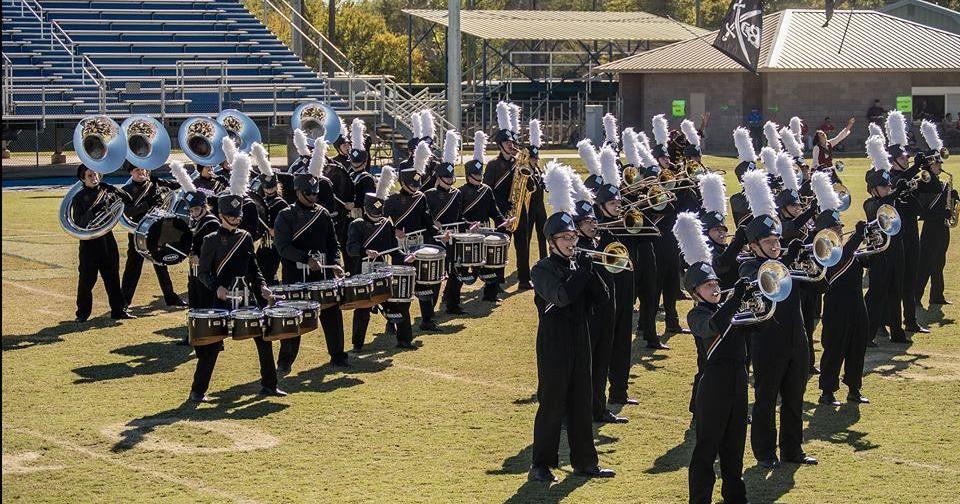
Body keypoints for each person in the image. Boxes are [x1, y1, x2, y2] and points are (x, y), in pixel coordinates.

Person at [528, 163, 614, 483]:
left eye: (572, 236)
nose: (569, 241)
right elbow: (561, 297)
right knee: (552, 404)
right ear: (551, 241)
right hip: (554, 343)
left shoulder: (581, 264)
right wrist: (581, 272)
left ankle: (585, 462)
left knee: (581, 402)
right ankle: (541, 463)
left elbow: (602, 300)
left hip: (580, 338)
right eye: (564, 237)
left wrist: (592, 270)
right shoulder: (542, 270)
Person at [739, 170, 816, 468]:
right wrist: (782, 260)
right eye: (768, 242)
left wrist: (805, 259)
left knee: (795, 398)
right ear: (754, 245)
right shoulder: (748, 268)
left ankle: (793, 450)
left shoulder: (787, 260)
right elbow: (759, 292)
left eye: (776, 239)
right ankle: (766, 453)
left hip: (797, 338)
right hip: (767, 343)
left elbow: (820, 285)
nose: (775, 245)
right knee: (766, 401)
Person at [193, 153, 283, 401]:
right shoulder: (210, 240)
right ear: (221, 215)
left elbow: (253, 267)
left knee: (264, 340)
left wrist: (263, 286)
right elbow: (202, 273)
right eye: (231, 216)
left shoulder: (244, 237)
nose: (235, 219)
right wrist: (216, 288)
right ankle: (197, 391)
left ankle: (270, 384)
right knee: (212, 347)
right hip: (221, 300)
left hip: (246, 297)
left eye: (238, 216)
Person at [676, 211, 750, 504]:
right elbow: (714, 326)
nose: (715, 288)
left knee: (735, 447)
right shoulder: (696, 314)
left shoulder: (729, 306)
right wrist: (734, 299)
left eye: (715, 284)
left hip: (739, 382)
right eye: (708, 286)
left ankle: (735, 497)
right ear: (695, 293)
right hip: (714, 385)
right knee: (707, 448)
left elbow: (760, 326)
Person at [274, 142, 349, 371]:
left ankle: (338, 355)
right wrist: (306, 259)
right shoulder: (285, 216)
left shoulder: (323, 214)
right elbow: (283, 247)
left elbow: (332, 243)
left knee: (332, 316)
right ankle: (285, 363)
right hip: (296, 276)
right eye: (309, 193)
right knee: (294, 320)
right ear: (298, 192)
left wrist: (335, 263)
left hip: (322, 276)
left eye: (315, 193)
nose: (313, 197)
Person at [809, 172, 871, 406]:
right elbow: (838, 265)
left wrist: (875, 242)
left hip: (857, 303)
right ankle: (827, 391)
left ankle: (854, 388)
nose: (838, 231)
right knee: (835, 348)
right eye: (834, 228)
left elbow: (864, 262)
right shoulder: (822, 252)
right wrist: (856, 239)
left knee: (857, 346)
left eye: (839, 227)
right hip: (836, 307)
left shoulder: (846, 247)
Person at [346, 166, 418, 351]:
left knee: (400, 303)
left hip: (382, 271)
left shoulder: (385, 224)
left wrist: (405, 257)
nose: (377, 217)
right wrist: (365, 251)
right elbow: (351, 249)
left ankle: (404, 340)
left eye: (379, 213)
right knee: (362, 310)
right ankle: (357, 344)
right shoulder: (357, 225)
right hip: (362, 273)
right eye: (374, 213)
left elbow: (393, 251)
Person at [443, 131, 512, 308]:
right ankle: (451, 301)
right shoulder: (460, 192)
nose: (479, 178)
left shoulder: (486, 190)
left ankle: (490, 294)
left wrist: (503, 221)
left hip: (484, 232)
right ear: (468, 176)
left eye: (480, 175)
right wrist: (468, 226)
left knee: (491, 266)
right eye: (476, 175)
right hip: (466, 235)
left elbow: (494, 212)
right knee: (460, 270)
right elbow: (458, 216)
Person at [386, 142, 440, 332]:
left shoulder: (421, 197)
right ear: (403, 183)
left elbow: (427, 221)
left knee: (423, 282)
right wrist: (394, 231)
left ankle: (427, 320)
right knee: (401, 284)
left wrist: (439, 233)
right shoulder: (392, 200)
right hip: (400, 246)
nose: (415, 187)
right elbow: (382, 223)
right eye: (412, 184)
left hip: (419, 243)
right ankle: (392, 322)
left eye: (417, 184)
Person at [73, 164, 136, 322]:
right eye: (90, 176)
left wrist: (111, 187)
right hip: (89, 243)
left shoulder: (107, 191)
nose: (94, 178)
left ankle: (118, 310)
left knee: (113, 278)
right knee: (87, 281)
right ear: (83, 178)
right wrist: (94, 211)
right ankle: (82, 314)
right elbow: (79, 222)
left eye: (95, 175)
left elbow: (128, 200)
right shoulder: (79, 197)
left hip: (107, 241)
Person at [485, 101, 537, 291]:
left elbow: (530, 186)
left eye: (513, 142)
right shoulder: (492, 166)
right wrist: (496, 212)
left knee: (523, 244)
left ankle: (524, 278)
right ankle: (497, 280)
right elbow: (487, 190)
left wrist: (529, 172)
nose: (511, 145)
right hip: (502, 209)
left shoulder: (519, 162)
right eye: (507, 143)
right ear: (500, 145)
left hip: (520, 208)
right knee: (501, 245)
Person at [886, 111, 929, 334]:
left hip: (912, 231)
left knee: (911, 277)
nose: (907, 160)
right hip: (897, 236)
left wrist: (927, 165)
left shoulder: (910, 175)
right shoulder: (888, 178)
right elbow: (897, 185)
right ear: (893, 161)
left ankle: (910, 320)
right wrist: (914, 168)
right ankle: (889, 324)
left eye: (907, 158)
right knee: (896, 282)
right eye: (903, 158)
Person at [119, 163, 185, 308]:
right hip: (137, 232)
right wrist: (148, 204)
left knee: (161, 265)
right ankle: (123, 302)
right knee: (133, 267)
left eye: (143, 168)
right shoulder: (126, 190)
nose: (141, 171)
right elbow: (128, 212)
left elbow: (176, 186)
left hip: (156, 231)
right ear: (131, 173)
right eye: (137, 170)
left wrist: (159, 180)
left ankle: (170, 297)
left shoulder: (154, 185)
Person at [863, 134, 909, 345]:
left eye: (888, 186)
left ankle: (897, 332)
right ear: (873, 189)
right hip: (880, 253)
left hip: (896, 250)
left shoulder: (892, 199)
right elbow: (882, 209)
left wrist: (902, 191)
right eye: (884, 187)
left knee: (895, 291)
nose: (888, 189)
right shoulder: (870, 204)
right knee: (876, 294)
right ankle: (867, 334)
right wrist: (896, 192)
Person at [424, 130, 463, 315]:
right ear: (438, 178)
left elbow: (460, 216)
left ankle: (453, 304)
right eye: (445, 177)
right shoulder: (428, 195)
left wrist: (468, 227)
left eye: (450, 177)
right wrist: (434, 223)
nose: (449, 180)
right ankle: (429, 311)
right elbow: (424, 218)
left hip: (453, 237)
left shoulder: (457, 194)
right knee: (436, 275)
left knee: (456, 271)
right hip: (436, 239)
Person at [916, 121, 953, 306]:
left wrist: (952, 197)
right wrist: (941, 214)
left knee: (940, 262)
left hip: (943, 228)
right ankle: (915, 297)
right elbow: (923, 210)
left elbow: (943, 203)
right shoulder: (924, 183)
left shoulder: (940, 181)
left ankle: (937, 296)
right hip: (931, 228)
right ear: (930, 165)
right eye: (937, 163)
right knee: (925, 265)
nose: (940, 165)